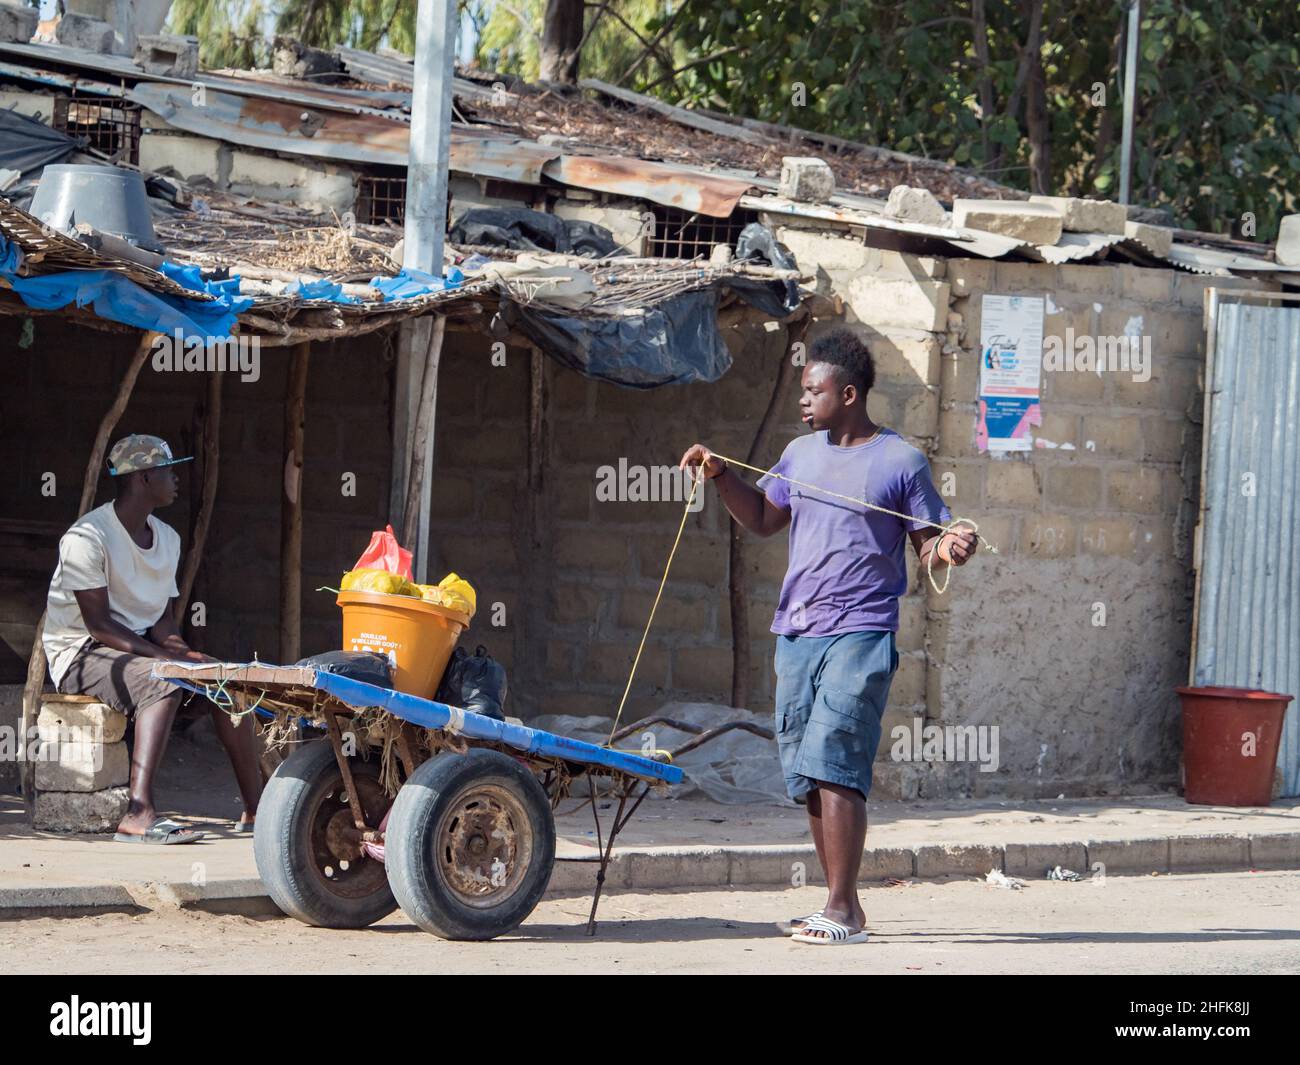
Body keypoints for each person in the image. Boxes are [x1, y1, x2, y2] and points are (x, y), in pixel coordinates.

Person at [679, 329, 977, 944]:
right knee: (810, 769)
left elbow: (930, 545)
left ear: (847, 393)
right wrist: (720, 476)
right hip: (798, 632)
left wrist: (951, 546)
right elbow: (764, 519)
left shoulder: (901, 461)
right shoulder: (800, 454)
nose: (803, 401)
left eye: (812, 391)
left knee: (837, 760)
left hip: (862, 632)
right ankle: (838, 906)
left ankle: (843, 910)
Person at [42, 434, 262, 844]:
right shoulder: (86, 538)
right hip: (80, 652)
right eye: (167, 471)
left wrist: (184, 652)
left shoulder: (167, 539)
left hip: (137, 648)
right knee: (161, 681)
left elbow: (161, 622)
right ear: (143, 478)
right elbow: (99, 626)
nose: (176, 478)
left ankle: (257, 809)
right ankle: (138, 813)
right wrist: (165, 659)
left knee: (228, 684)